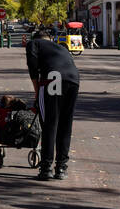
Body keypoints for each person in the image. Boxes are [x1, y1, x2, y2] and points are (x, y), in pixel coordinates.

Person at [26, 27, 81, 181]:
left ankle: (46, 168)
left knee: (50, 125)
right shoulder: (60, 46)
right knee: (65, 124)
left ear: (36, 38)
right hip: (73, 80)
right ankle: (61, 168)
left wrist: (37, 93)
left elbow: (32, 68)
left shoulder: (33, 43)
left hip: (52, 80)